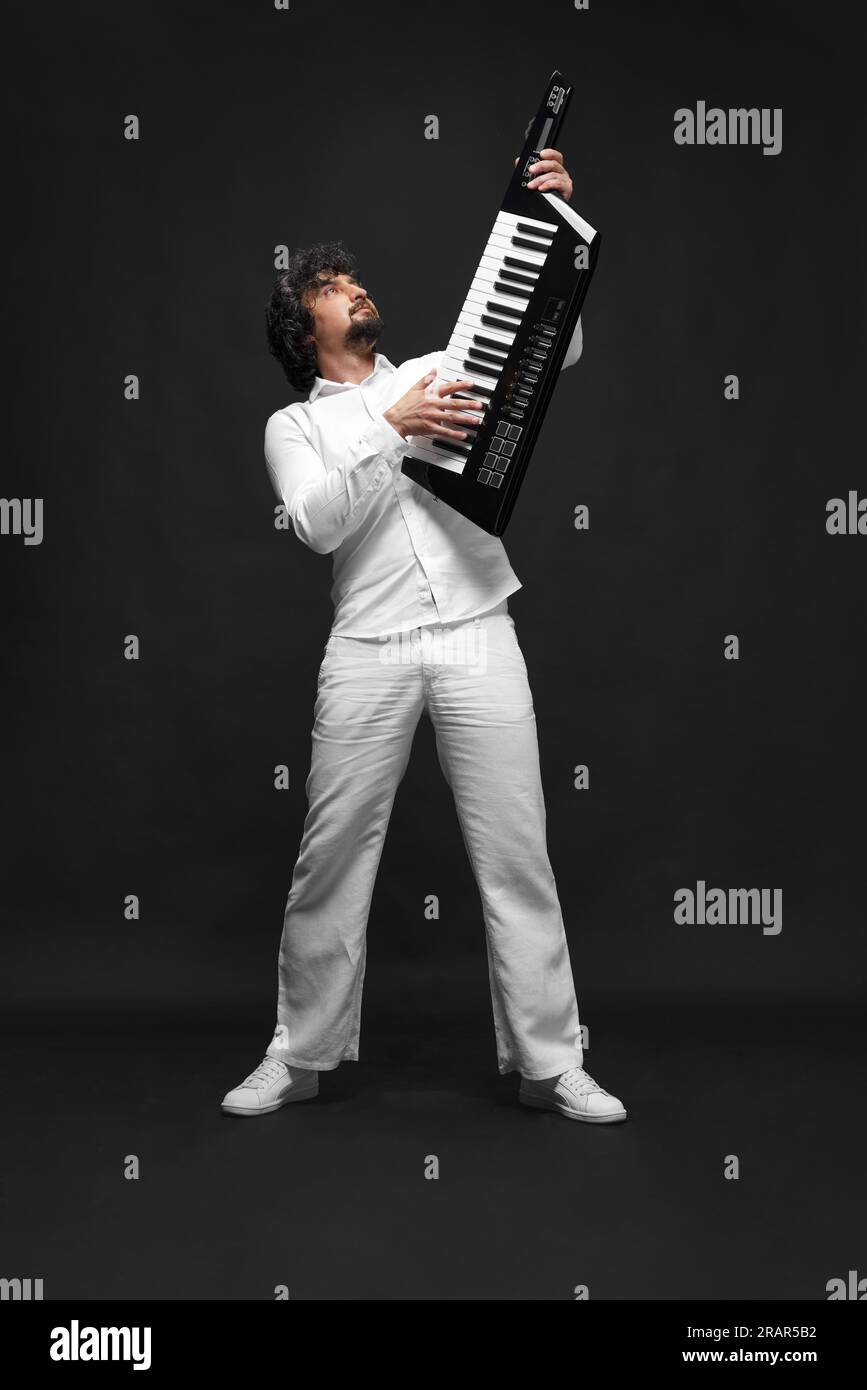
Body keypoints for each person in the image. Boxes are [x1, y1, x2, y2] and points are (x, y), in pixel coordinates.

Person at [221, 149, 626, 1124]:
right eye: (331, 287)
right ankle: (300, 1052)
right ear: (303, 328)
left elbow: (550, 345)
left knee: (518, 850)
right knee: (330, 857)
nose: (354, 288)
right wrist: (390, 429)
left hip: (481, 626)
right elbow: (316, 522)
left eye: (352, 278)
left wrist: (555, 226)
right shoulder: (293, 427)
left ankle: (551, 1060)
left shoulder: (445, 369)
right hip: (368, 646)